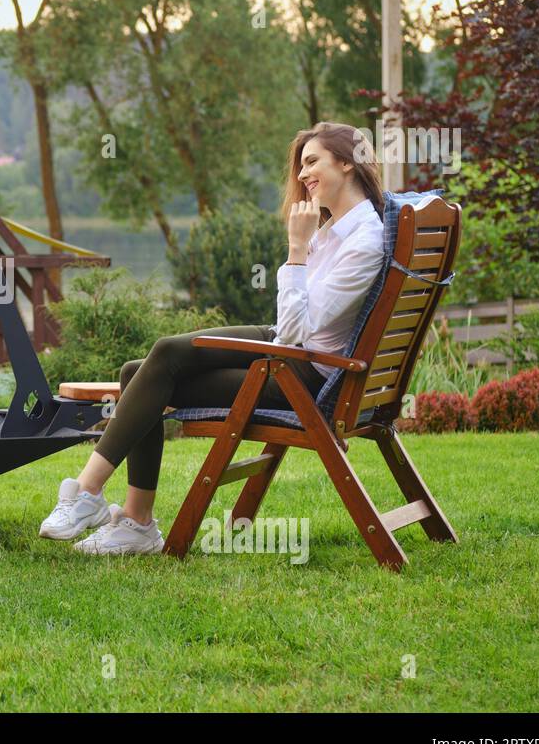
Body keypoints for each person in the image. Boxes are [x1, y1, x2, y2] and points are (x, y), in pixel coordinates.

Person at [41, 122, 386, 555]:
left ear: (348, 162)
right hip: (290, 349)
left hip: (306, 376)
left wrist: (296, 250)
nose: (302, 175)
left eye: (312, 162)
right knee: (143, 367)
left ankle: (96, 499)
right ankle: (130, 518)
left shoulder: (363, 241)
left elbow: (299, 330)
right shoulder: (337, 230)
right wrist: (307, 243)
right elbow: (294, 325)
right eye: (301, 166)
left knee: (151, 374)